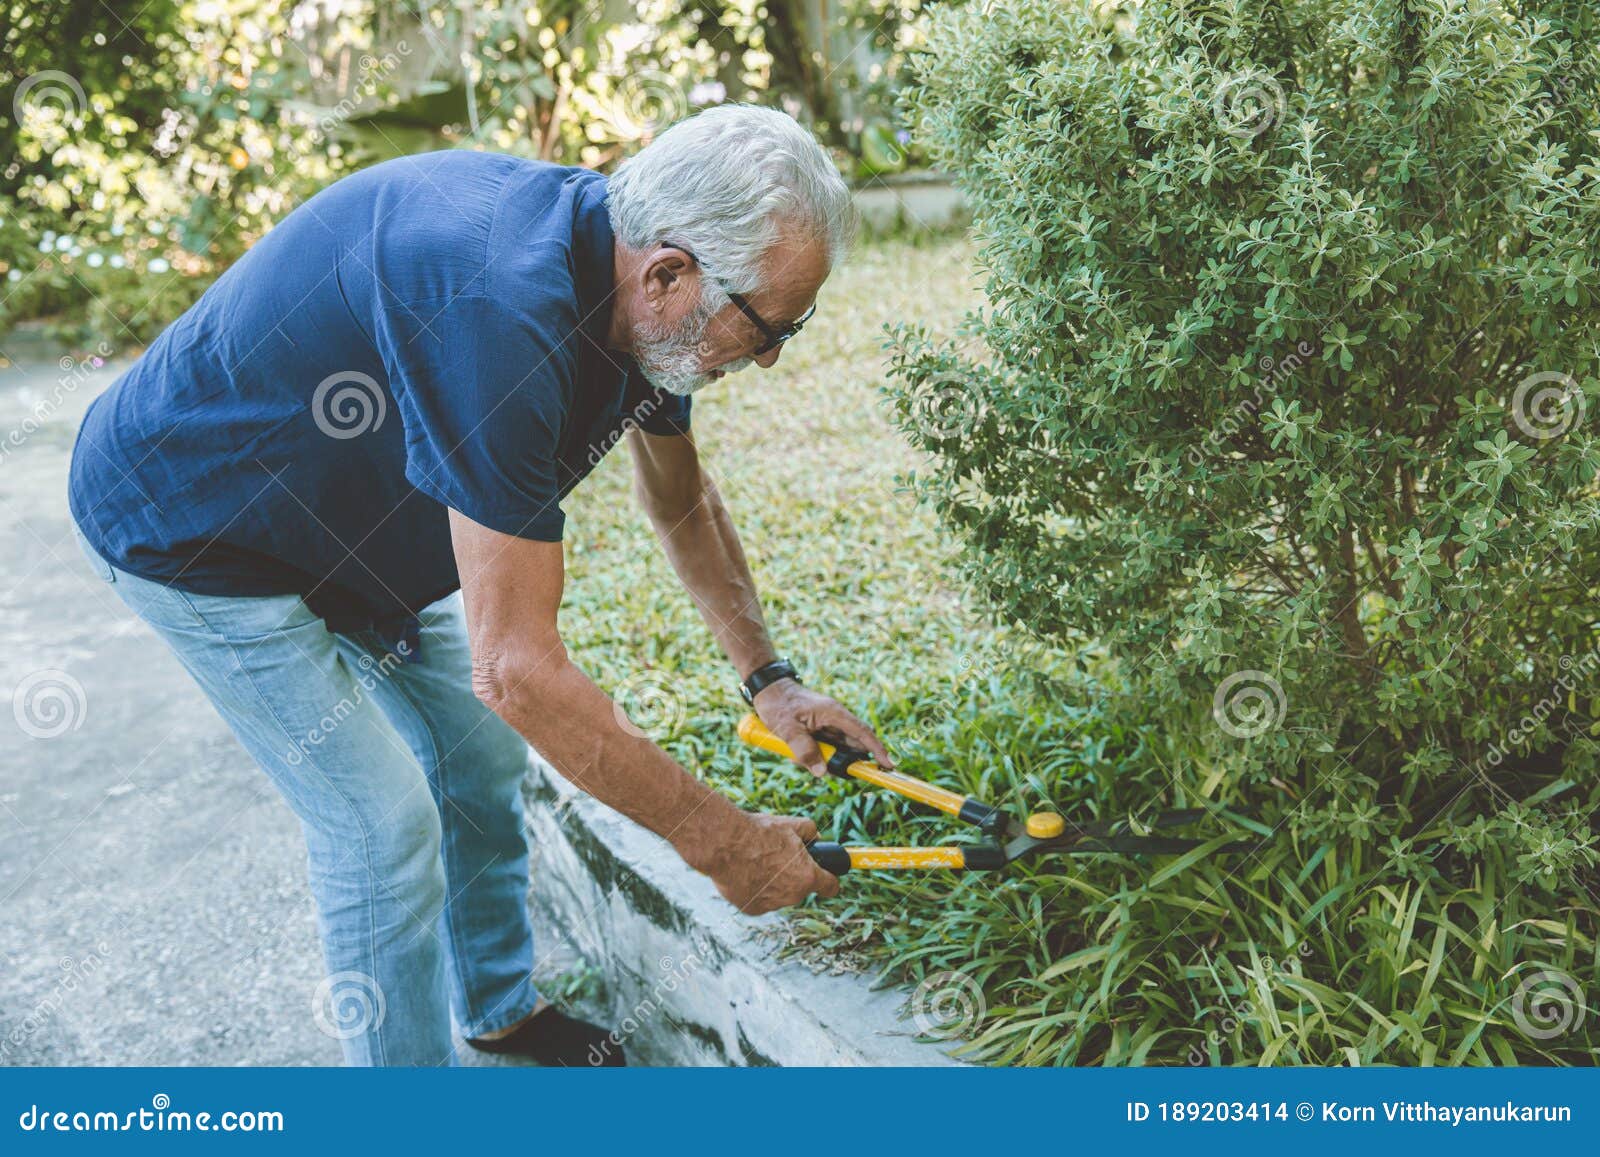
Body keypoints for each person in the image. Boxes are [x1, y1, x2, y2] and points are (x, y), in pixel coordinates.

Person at [67, 104, 893, 1067]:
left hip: (349, 534)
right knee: (381, 831)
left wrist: (771, 682)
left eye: (791, 326)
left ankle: (497, 1006)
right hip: (195, 526)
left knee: (479, 755)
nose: (771, 357)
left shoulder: (644, 292)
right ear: (669, 273)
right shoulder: (501, 309)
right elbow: (520, 672)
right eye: (766, 328)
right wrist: (724, 844)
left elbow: (680, 501)